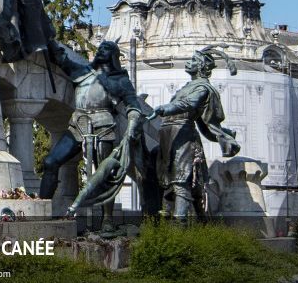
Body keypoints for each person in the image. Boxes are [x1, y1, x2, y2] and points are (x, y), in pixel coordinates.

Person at [39, 40, 144, 230]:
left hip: (103, 128)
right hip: (77, 126)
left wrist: (133, 119)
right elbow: (61, 58)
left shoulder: (120, 80)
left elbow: (132, 104)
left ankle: (107, 220)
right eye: (100, 48)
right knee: (50, 162)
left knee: (104, 174)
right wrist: (45, 37)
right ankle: (40, 210)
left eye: (106, 49)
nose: (101, 51)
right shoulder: (81, 71)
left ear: (113, 55)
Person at [147, 46, 241, 223]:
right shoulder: (188, 86)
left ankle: (180, 226)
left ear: (200, 67)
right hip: (169, 136)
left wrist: (164, 108)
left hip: (183, 137)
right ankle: (178, 222)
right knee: (166, 180)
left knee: (181, 181)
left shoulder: (203, 88)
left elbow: (189, 105)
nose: (188, 63)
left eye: (192, 61)